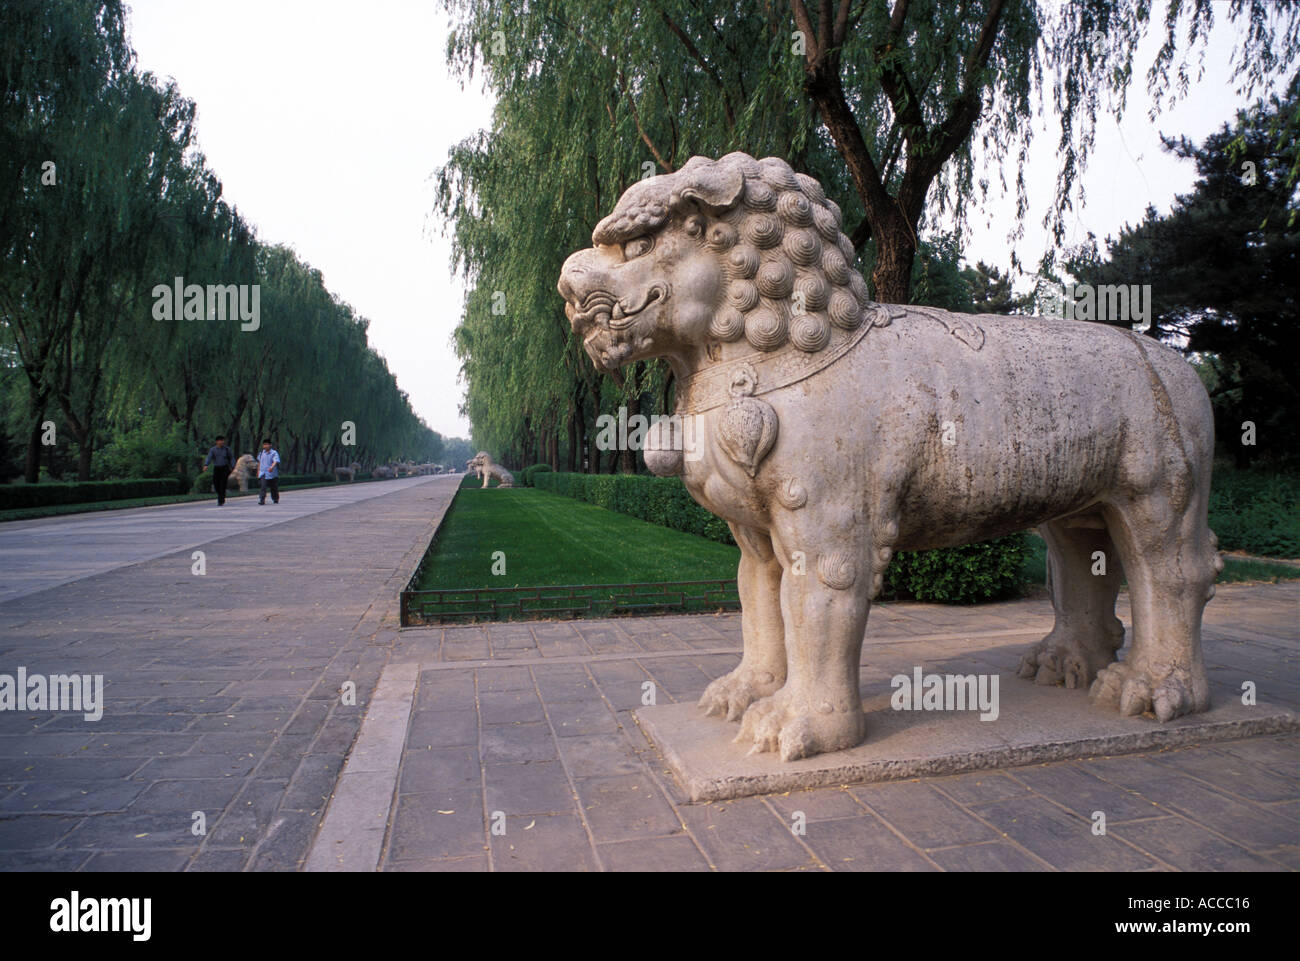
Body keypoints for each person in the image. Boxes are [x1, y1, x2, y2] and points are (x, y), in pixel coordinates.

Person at [201, 436, 236, 506]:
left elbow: (231, 458)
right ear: (217, 442)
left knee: (222, 484)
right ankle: (221, 495)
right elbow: (209, 457)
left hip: (225, 468)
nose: (221, 442)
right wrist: (206, 465)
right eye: (220, 440)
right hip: (217, 468)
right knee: (216, 483)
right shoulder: (213, 450)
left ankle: (221, 500)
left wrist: (233, 466)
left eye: (222, 440)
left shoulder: (227, 449)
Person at [256, 438, 281, 505]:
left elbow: (276, 461)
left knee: (274, 487)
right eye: (264, 444)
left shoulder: (274, 453)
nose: (265, 446)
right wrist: (258, 472)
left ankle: (275, 498)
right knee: (263, 486)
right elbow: (259, 463)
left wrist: (271, 467)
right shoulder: (261, 453)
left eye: (267, 444)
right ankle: (262, 499)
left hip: (272, 473)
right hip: (263, 473)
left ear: (270, 445)